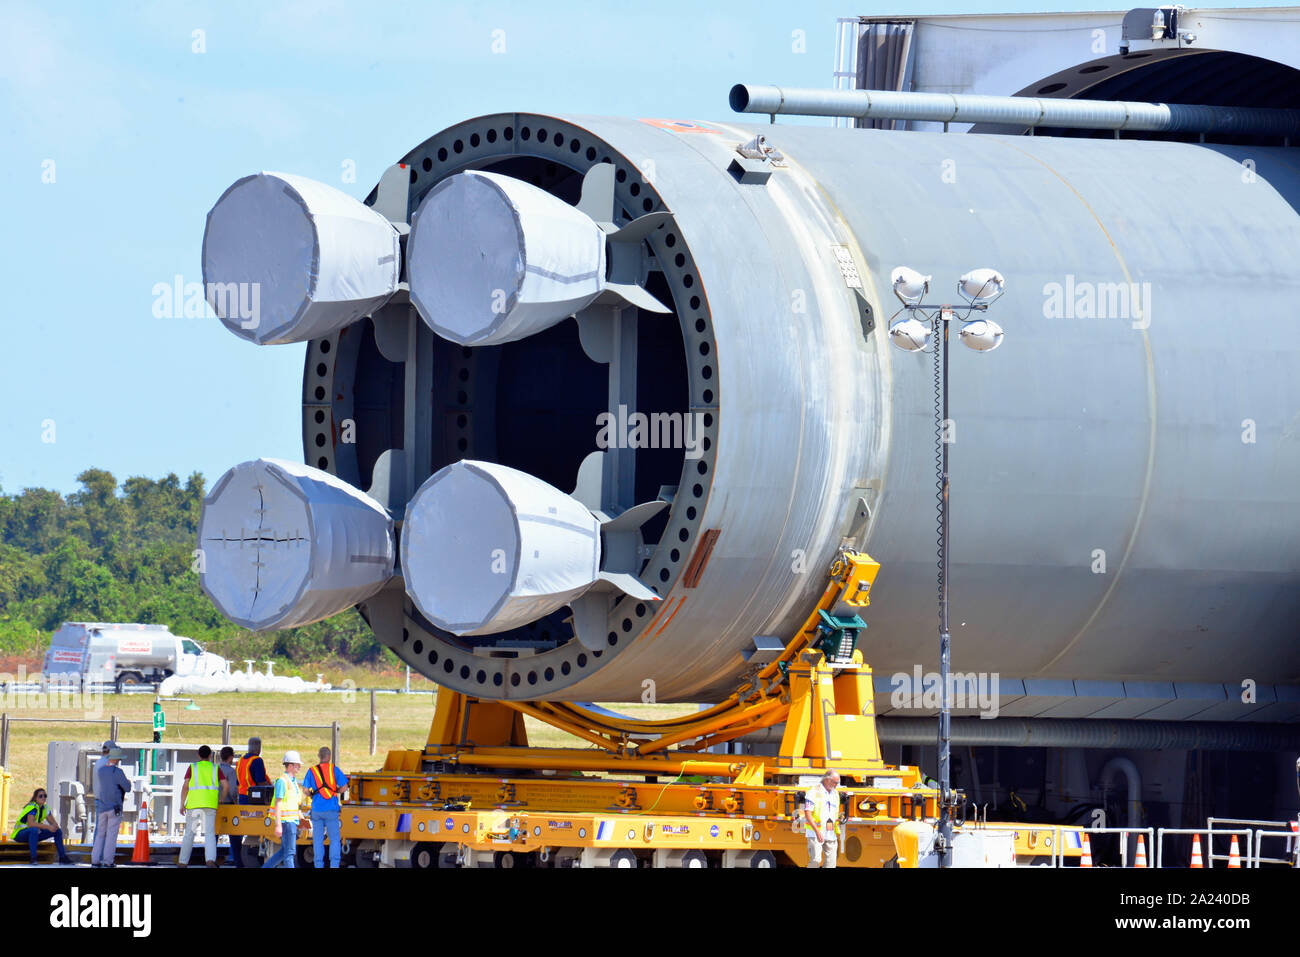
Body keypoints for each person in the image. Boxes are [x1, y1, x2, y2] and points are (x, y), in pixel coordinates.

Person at [303, 746, 349, 868]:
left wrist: (312, 795)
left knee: (318, 840)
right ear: (329, 757)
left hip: (317, 810)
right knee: (334, 839)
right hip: (331, 809)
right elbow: (345, 786)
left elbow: (305, 790)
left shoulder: (311, 771)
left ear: (319, 756)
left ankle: (318, 865)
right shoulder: (334, 769)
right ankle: (334, 864)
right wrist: (337, 790)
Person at [177, 745, 222, 868]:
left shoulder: (193, 768)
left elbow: (185, 786)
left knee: (189, 834)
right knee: (209, 834)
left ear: (198, 755)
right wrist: (221, 798)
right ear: (210, 756)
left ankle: (182, 862)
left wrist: (182, 804)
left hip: (194, 806)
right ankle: (210, 861)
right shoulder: (215, 768)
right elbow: (226, 785)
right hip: (210, 805)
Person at [230, 736, 271, 868]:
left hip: (242, 797)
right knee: (259, 827)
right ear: (259, 748)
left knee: (241, 828)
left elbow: (238, 782)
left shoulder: (241, 761)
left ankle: (238, 861)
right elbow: (260, 782)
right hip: (255, 799)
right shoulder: (257, 761)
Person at [262, 751, 305, 869]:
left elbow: (294, 803)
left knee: (284, 852)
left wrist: (301, 818)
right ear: (290, 765)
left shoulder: (293, 781)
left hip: (291, 821)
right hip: (287, 822)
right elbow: (278, 803)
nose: (300, 767)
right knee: (289, 853)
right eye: (297, 764)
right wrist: (278, 825)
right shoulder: (282, 781)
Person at [11, 787, 75, 865]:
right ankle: (33, 858)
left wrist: (55, 826)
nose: (43, 798)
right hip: (20, 835)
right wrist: (48, 827)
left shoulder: (45, 808)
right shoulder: (32, 807)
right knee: (34, 829)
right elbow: (31, 824)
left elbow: (53, 823)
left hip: (33, 835)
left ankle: (62, 858)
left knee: (57, 831)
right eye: (40, 796)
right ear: (35, 798)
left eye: (45, 796)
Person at [92, 747, 131, 868]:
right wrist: (128, 782)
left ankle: (95, 860)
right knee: (111, 835)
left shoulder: (101, 771)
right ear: (116, 759)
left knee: (100, 835)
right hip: (115, 808)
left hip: (102, 807)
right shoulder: (118, 772)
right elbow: (127, 787)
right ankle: (108, 861)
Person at [803, 770, 841, 869]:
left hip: (830, 833)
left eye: (837, 783)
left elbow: (833, 813)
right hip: (815, 833)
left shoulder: (835, 794)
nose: (836, 785)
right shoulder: (813, 792)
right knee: (815, 861)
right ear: (827, 780)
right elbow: (808, 814)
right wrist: (817, 832)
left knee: (831, 864)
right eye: (835, 782)